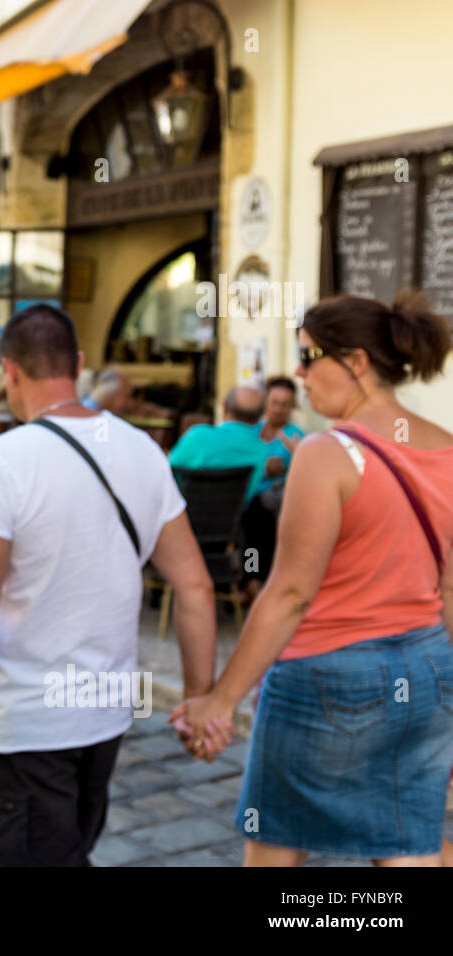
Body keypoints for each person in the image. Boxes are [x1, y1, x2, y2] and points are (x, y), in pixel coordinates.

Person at [0, 303, 223, 867]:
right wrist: (199, 698)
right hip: (104, 717)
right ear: (79, 365)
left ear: (8, 371)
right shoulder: (142, 451)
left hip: (27, 722)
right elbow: (195, 587)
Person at [172, 290, 453, 867]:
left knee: (277, 842)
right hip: (427, 669)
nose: (298, 374)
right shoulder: (448, 449)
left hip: (330, 676)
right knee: (407, 841)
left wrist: (218, 701)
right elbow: (450, 591)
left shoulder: (327, 454)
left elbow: (291, 593)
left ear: (354, 363)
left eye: (308, 355)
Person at [241, 376, 308, 599]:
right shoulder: (249, 430)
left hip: (273, 504)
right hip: (240, 498)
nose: (279, 409)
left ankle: (252, 579)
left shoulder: (296, 436)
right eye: (274, 402)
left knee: (255, 524)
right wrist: (263, 467)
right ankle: (251, 579)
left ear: (292, 406)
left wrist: (296, 456)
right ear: (265, 403)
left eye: (285, 404)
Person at [167, 385, 270, 504]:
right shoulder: (261, 450)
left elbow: (168, 471)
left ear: (224, 407)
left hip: (181, 514)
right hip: (230, 519)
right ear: (260, 417)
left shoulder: (198, 436)